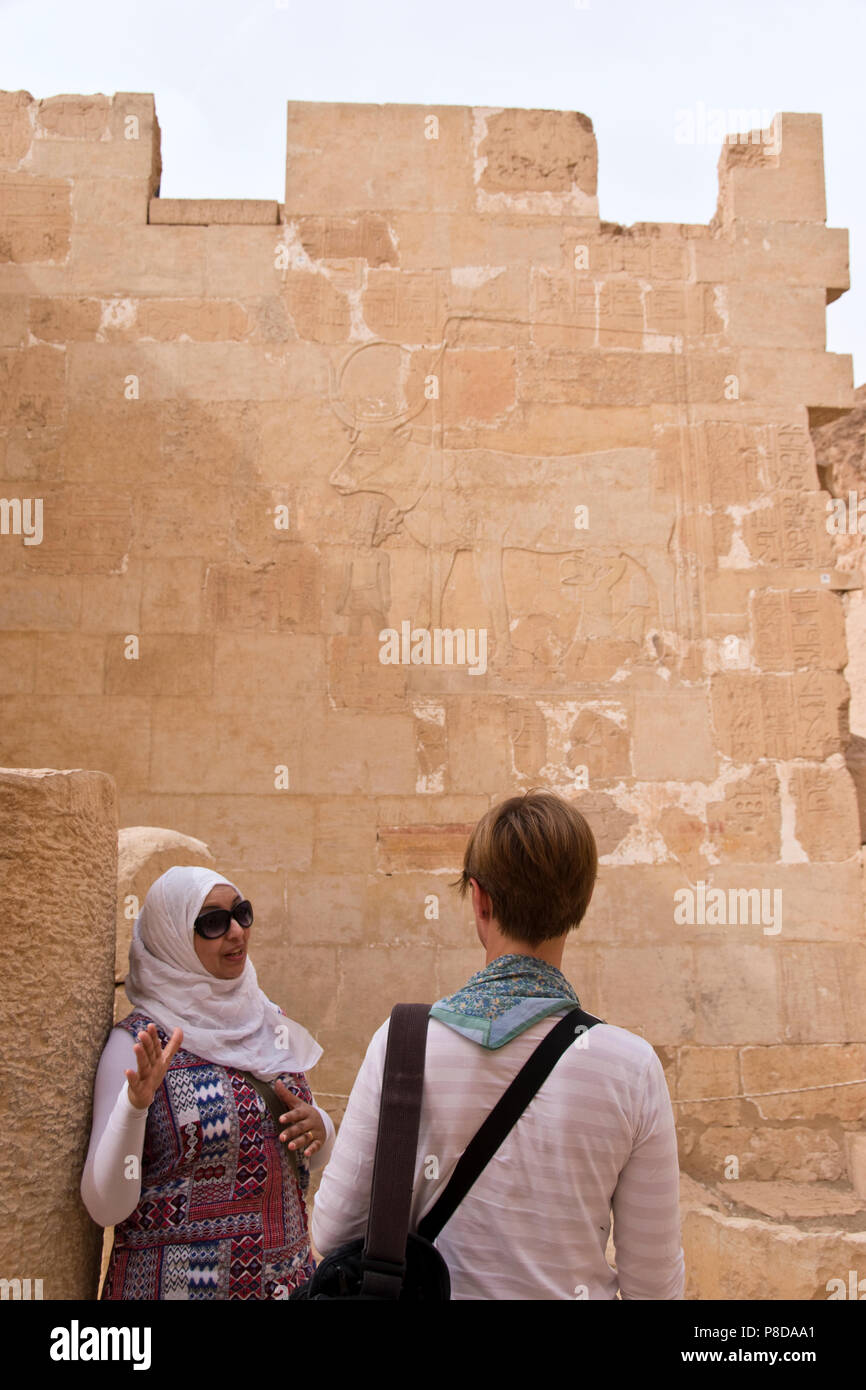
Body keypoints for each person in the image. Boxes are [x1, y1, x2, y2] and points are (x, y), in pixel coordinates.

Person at [311, 789, 684, 1300]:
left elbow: (333, 1233)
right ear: (582, 901)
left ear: (479, 898)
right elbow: (655, 1285)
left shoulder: (403, 1044)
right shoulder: (631, 1068)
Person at [81, 865, 335, 1299]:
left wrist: (321, 1126)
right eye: (213, 923)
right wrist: (134, 1107)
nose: (236, 932)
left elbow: (307, 1154)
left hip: (287, 1284)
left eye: (242, 913)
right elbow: (104, 1204)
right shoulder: (140, 1043)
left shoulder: (267, 1021)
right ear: (172, 938)